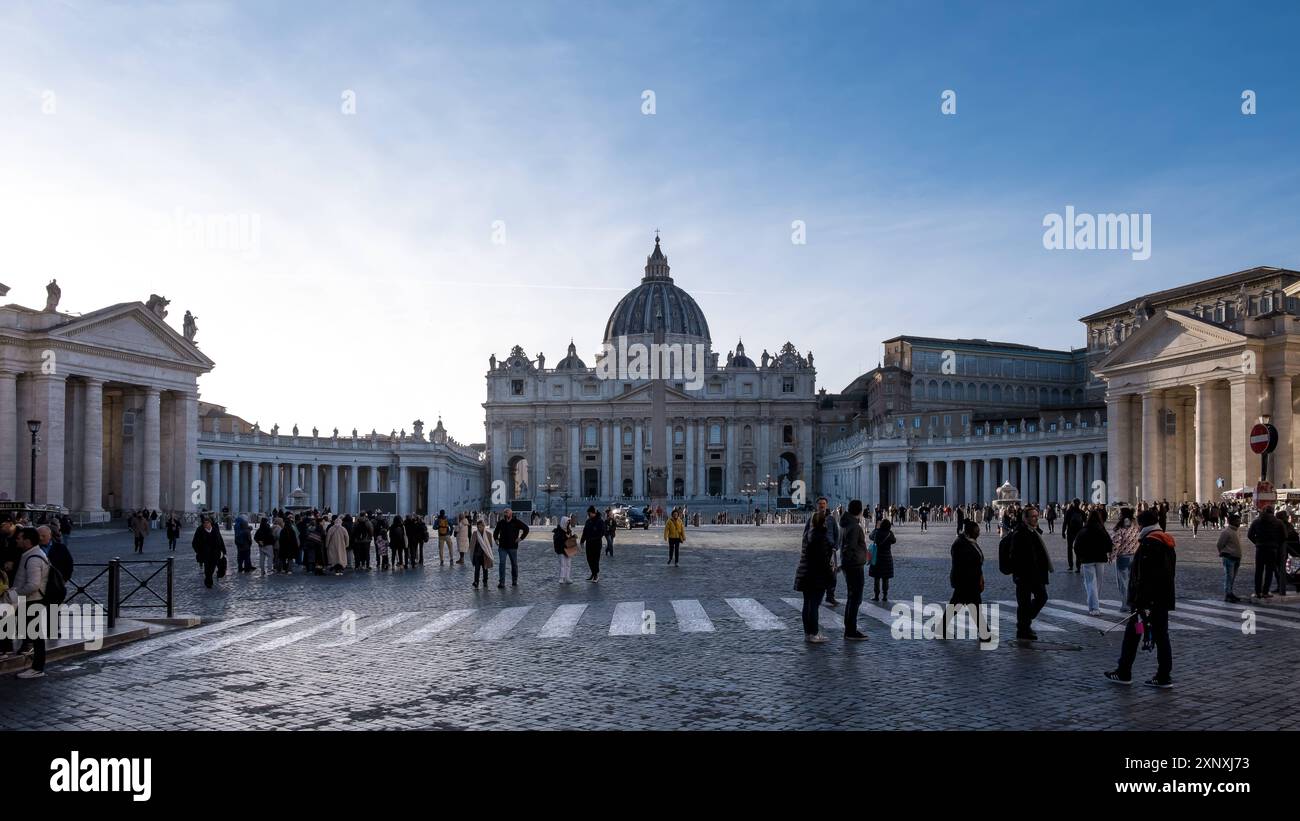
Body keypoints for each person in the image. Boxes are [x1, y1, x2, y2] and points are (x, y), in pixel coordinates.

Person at [1106, 508, 1176, 688]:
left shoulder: (1148, 545)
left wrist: (1141, 605)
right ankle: (1163, 675)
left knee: (1133, 634)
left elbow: (1143, 578)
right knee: (1161, 636)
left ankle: (1124, 671)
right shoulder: (1166, 541)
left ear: (1142, 524)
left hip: (1144, 606)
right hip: (1161, 601)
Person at [6, 527, 50, 678]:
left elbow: (33, 584)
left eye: (20, 538)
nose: (17, 540)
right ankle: (35, 664)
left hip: (33, 600)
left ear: (28, 541)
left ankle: (37, 668)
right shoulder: (30, 555)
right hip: (30, 600)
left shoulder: (34, 558)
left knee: (35, 634)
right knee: (32, 633)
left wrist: (15, 592)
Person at [1010, 506, 1051, 641]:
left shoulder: (1032, 531)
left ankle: (1024, 623)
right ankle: (1023, 629)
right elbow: (1017, 556)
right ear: (1025, 518)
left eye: (1036, 516)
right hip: (1024, 575)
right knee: (1025, 602)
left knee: (1040, 598)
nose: (1036, 518)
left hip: (1034, 574)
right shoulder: (1020, 533)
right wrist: (1020, 573)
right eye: (1033, 516)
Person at [793, 511, 835, 643]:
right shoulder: (821, 537)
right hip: (817, 575)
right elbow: (823, 560)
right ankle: (814, 633)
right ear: (823, 523)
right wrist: (831, 575)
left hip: (805, 573)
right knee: (815, 605)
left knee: (807, 604)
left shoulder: (808, 535)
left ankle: (807, 633)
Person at [946, 519, 987, 640]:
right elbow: (963, 565)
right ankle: (985, 634)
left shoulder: (970, 541)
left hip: (971, 581)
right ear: (969, 532)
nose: (979, 534)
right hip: (965, 582)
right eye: (977, 532)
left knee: (955, 606)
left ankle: (941, 629)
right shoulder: (960, 544)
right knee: (974, 608)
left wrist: (980, 576)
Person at [838, 500, 868, 640]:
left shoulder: (845, 524)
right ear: (860, 511)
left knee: (852, 598)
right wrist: (853, 560)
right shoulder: (855, 526)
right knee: (855, 599)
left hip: (849, 565)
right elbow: (849, 547)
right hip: (854, 566)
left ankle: (849, 628)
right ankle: (851, 630)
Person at [802, 497, 841, 607]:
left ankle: (830, 596)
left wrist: (835, 547)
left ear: (827, 505)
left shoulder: (831, 519)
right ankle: (818, 595)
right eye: (820, 503)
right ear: (816, 505)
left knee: (832, 574)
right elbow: (805, 535)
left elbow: (836, 534)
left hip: (830, 551)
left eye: (823, 503)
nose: (822, 505)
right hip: (817, 551)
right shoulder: (811, 519)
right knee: (819, 574)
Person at [1074, 509, 1113, 615]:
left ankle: (1093, 606)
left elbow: (1076, 545)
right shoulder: (1102, 529)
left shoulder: (1084, 530)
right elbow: (1109, 543)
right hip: (1100, 559)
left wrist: (1080, 557)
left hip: (1087, 560)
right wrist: (1108, 553)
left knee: (1090, 583)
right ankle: (1095, 605)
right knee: (1098, 583)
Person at [1246, 505, 1284, 599]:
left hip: (1260, 548)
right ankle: (1265, 591)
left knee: (1258, 571)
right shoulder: (1278, 522)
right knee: (1269, 571)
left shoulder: (1257, 521)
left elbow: (1250, 535)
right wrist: (1276, 543)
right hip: (1272, 549)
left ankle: (1257, 592)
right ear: (1272, 511)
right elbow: (1284, 536)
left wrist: (1257, 542)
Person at [493, 508, 529, 588]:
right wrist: (495, 539)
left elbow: (526, 529)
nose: (505, 514)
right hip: (502, 547)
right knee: (502, 564)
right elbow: (496, 532)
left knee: (514, 564)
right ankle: (502, 582)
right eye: (504, 512)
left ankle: (514, 580)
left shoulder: (516, 522)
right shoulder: (501, 522)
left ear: (511, 514)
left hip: (513, 547)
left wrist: (521, 538)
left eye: (507, 512)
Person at [192, 516, 227, 589]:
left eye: (207, 523)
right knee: (208, 570)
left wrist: (223, 551)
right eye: (204, 523)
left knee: (222, 566)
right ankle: (208, 583)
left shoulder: (215, 529)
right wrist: (199, 552)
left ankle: (219, 574)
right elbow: (194, 543)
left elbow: (220, 540)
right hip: (206, 554)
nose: (206, 524)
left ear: (210, 523)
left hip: (216, 552)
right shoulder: (200, 530)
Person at [1216, 512, 1244, 602]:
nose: (1239, 523)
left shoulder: (1237, 531)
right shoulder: (1226, 532)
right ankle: (1228, 594)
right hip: (1229, 558)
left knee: (1232, 577)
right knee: (1229, 577)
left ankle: (1230, 593)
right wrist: (1224, 552)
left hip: (1237, 557)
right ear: (1232, 522)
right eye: (1237, 521)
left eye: (1239, 521)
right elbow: (1220, 544)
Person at [867, 517, 896, 602]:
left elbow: (870, 537)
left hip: (877, 558)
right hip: (887, 558)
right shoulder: (890, 534)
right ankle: (885, 596)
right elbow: (894, 541)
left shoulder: (877, 532)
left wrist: (876, 528)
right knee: (885, 578)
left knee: (877, 578)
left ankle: (876, 596)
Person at [580, 506, 604, 582]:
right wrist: (582, 541)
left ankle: (596, 575)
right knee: (589, 559)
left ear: (594, 513)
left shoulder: (600, 521)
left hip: (596, 543)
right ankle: (593, 573)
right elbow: (585, 532)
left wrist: (595, 538)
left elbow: (602, 532)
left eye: (589, 513)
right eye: (588, 513)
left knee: (595, 559)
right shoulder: (588, 521)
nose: (588, 515)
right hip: (589, 543)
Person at [471, 519, 496, 589]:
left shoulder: (488, 534)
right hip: (477, 555)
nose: (479, 528)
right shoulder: (475, 534)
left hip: (485, 555)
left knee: (485, 569)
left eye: (480, 527)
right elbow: (472, 545)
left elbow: (490, 545)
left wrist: (485, 548)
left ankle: (485, 581)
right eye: (478, 527)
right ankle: (476, 582)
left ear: (484, 526)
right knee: (477, 569)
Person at [1062, 499, 1084, 572]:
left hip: (1070, 531)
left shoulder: (1069, 512)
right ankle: (1078, 566)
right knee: (1078, 549)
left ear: (1072, 503)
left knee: (1069, 549)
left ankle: (1071, 565)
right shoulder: (1081, 512)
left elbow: (1065, 522)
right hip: (1079, 532)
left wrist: (1063, 531)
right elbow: (1086, 522)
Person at [553, 515, 574, 584]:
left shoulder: (569, 530)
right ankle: (561, 577)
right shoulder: (558, 531)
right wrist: (566, 538)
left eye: (568, 522)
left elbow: (572, 539)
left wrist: (570, 537)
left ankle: (567, 577)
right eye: (567, 522)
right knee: (562, 564)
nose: (568, 523)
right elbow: (557, 541)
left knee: (568, 564)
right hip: (561, 549)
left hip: (568, 549)